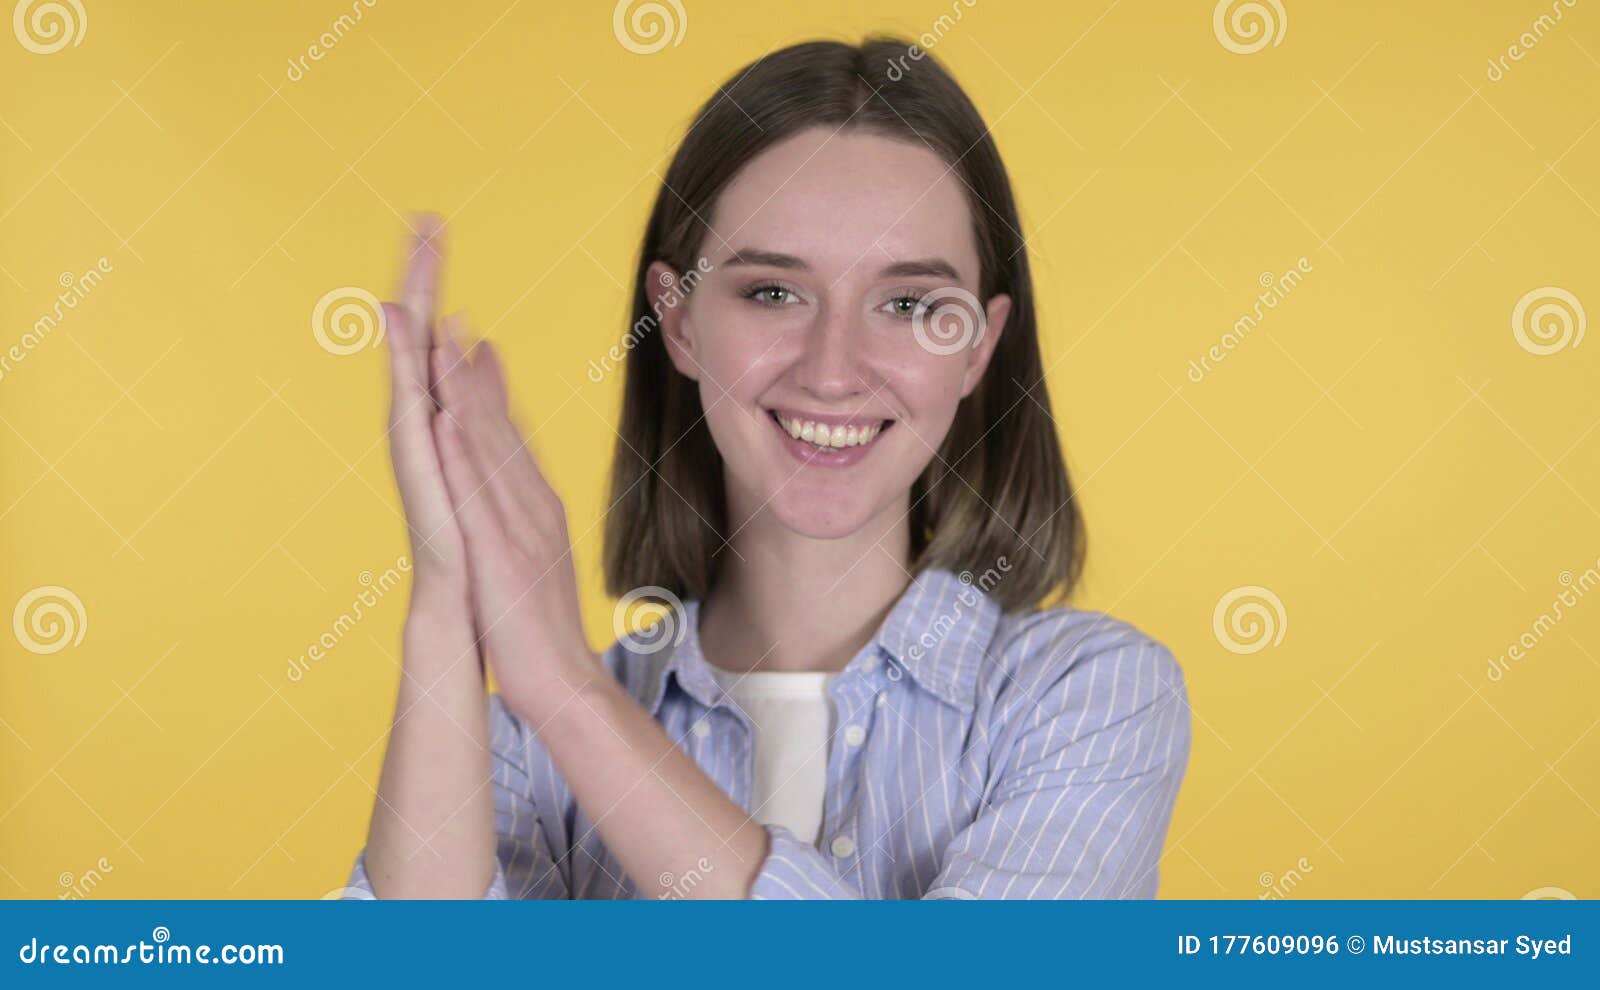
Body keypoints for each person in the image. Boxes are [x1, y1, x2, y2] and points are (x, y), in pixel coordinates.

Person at [343, 37, 1190, 900]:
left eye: (907, 304)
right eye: (773, 293)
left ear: (977, 347)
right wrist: (449, 598)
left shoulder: (1090, 695)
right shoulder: (517, 743)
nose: (832, 369)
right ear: (676, 323)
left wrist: (568, 696)